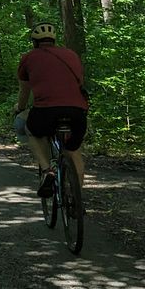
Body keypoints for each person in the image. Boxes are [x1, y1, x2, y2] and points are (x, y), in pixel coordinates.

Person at [13, 22, 88, 198]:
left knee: (32, 130)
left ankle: (47, 171)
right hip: (77, 112)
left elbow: (24, 91)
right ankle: (77, 197)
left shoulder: (28, 57)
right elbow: (80, 83)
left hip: (45, 111)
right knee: (74, 151)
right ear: (54, 40)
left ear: (34, 42)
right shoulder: (71, 55)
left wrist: (20, 108)